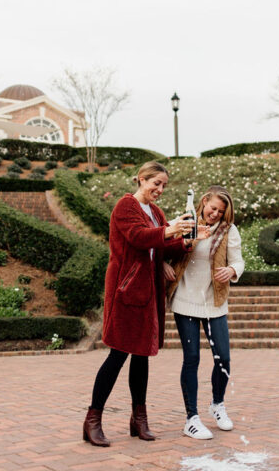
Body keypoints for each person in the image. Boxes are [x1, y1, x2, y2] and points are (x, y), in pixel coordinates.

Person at [82, 161, 208, 447]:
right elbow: (139, 238)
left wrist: (189, 239)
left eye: (163, 185)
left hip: (148, 292)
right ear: (141, 179)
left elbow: (162, 244)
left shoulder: (156, 212)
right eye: (155, 183)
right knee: (118, 355)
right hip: (127, 289)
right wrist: (172, 229)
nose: (160, 189)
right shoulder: (126, 207)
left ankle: (139, 420)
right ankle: (93, 420)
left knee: (141, 356)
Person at [164, 185, 245, 440]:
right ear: (204, 201)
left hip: (214, 301)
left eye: (220, 212)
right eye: (213, 208)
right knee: (192, 358)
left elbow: (238, 260)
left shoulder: (228, 231)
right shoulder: (185, 222)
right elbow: (163, 248)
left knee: (223, 357)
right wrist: (163, 266)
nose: (215, 214)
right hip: (185, 299)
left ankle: (217, 404)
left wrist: (232, 271)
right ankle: (191, 418)